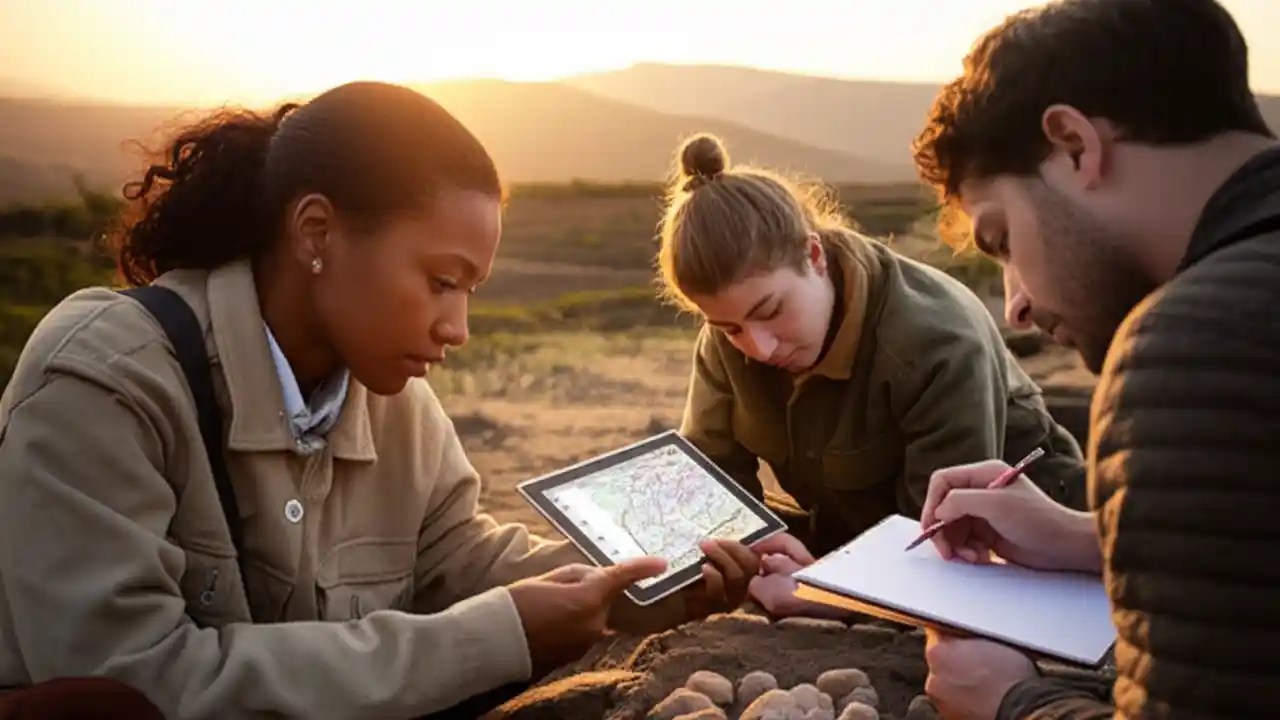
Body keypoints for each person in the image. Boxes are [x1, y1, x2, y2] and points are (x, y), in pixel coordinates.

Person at [0, 81, 761, 720]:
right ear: (317, 232)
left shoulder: (396, 401)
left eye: (469, 291)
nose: (456, 328)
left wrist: (643, 581)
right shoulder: (107, 379)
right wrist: (494, 638)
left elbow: (459, 560)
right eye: (440, 281)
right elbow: (122, 683)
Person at [908, 0, 1280, 718]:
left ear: (1075, 146)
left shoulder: (1198, 344)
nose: (1014, 304)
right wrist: (1093, 539)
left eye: (1002, 239)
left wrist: (1011, 701)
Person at [655, 133, 1087, 618]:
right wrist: (746, 553)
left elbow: (939, 548)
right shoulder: (729, 341)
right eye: (729, 327)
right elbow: (708, 484)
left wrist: (823, 594)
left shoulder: (936, 342)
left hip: (1033, 564)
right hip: (846, 543)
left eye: (772, 310)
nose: (759, 347)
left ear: (814, 256)